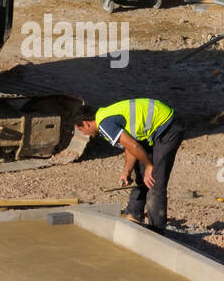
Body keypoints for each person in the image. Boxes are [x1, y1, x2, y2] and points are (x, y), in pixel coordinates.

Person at [74, 98, 184, 232]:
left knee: (155, 181)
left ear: (86, 123)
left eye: (81, 129)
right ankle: (133, 217)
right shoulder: (104, 116)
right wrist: (127, 171)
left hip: (168, 127)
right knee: (141, 177)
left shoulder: (104, 124)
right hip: (154, 127)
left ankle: (157, 231)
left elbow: (134, 145)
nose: (84, 134)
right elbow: (130, 145)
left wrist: (150, 166)